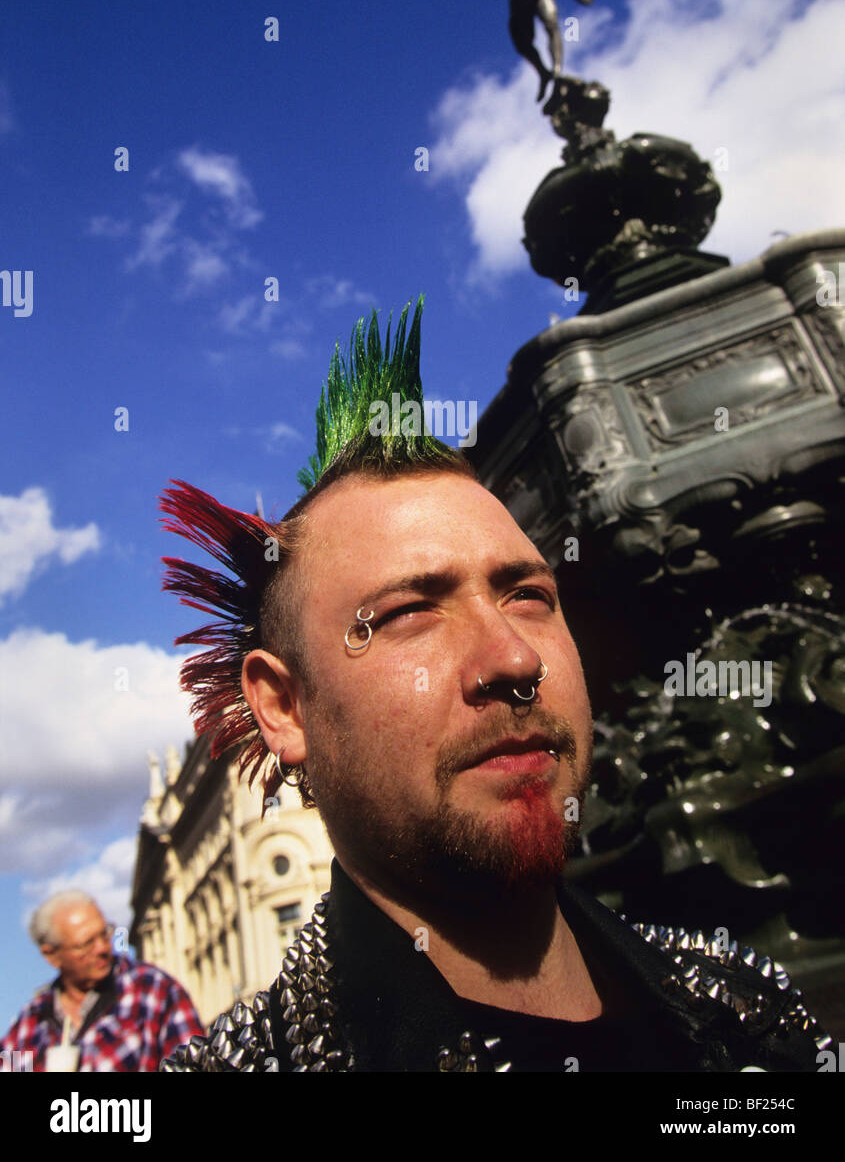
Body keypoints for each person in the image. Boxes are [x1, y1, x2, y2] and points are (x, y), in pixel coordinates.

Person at [159, 299, 831, 1072]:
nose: (514, 659)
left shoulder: (747, 1011)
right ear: (283, 706)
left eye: (527, 596)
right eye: (410, 610)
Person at [2, 890, 203, 1071]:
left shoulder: (153, 989)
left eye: (105, 934)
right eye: (85, 944)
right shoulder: (30, 1022)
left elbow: (196, 1064)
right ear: (51, 955)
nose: (102, 949)